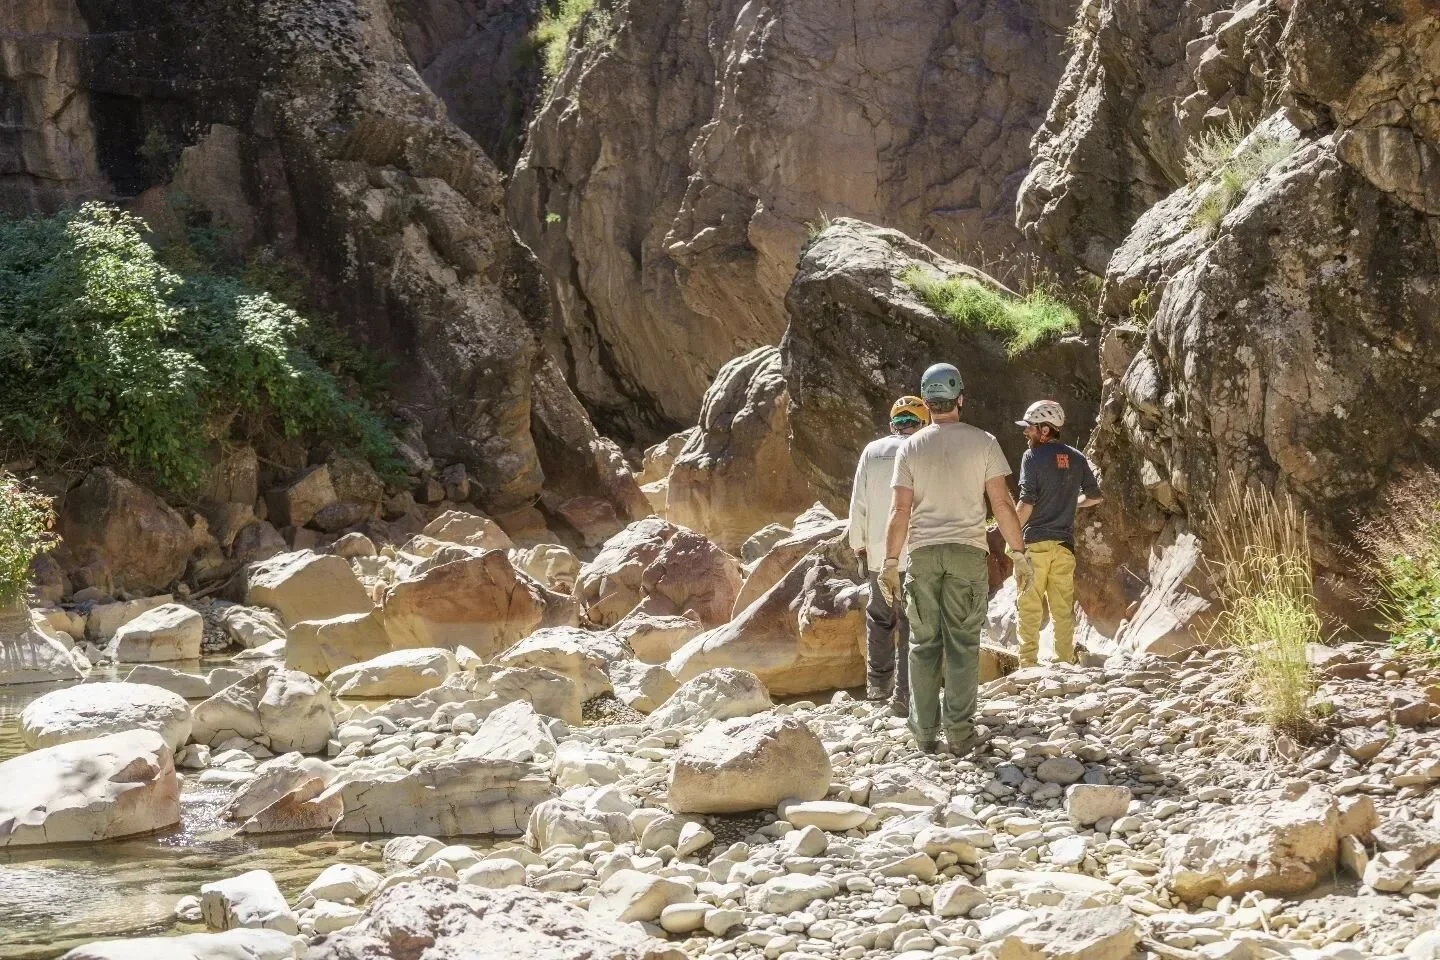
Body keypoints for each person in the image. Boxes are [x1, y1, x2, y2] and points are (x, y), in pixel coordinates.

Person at [879, 363, 1032, 755]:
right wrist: (1019, 553)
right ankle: (961, 735)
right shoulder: (984, 441)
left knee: (923, 644)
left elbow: (899, 512)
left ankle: (925, 734)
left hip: (924, 555)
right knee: (963, 645)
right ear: (959, 398)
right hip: (967, 552)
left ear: (927, 403)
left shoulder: (910, 446)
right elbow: (1001, 503)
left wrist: (890, 562)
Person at [848, 395, 930, 717]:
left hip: (880, 554)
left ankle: (877, 687)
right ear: (922, 422)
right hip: (917, 552)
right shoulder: (926, 449)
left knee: (880, 616)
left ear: (892, 422)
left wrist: (859, 546)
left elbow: (859, 504)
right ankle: (906, 693)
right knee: (913, 621)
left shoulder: (872, 451)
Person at [1013, 400, 1103, 667]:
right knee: (1062, 609)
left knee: (1029, 606)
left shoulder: (1031, 457)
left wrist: (1010, 531)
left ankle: (1027, 663)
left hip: (1035, 543)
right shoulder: (1076, 457)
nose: (1025, 433)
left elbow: (1026, 501)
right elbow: (1096, 497)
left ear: (1044, 429)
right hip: (1064, 546)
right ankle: (1063, 661)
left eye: (1029, 428)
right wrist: (1072, 502)